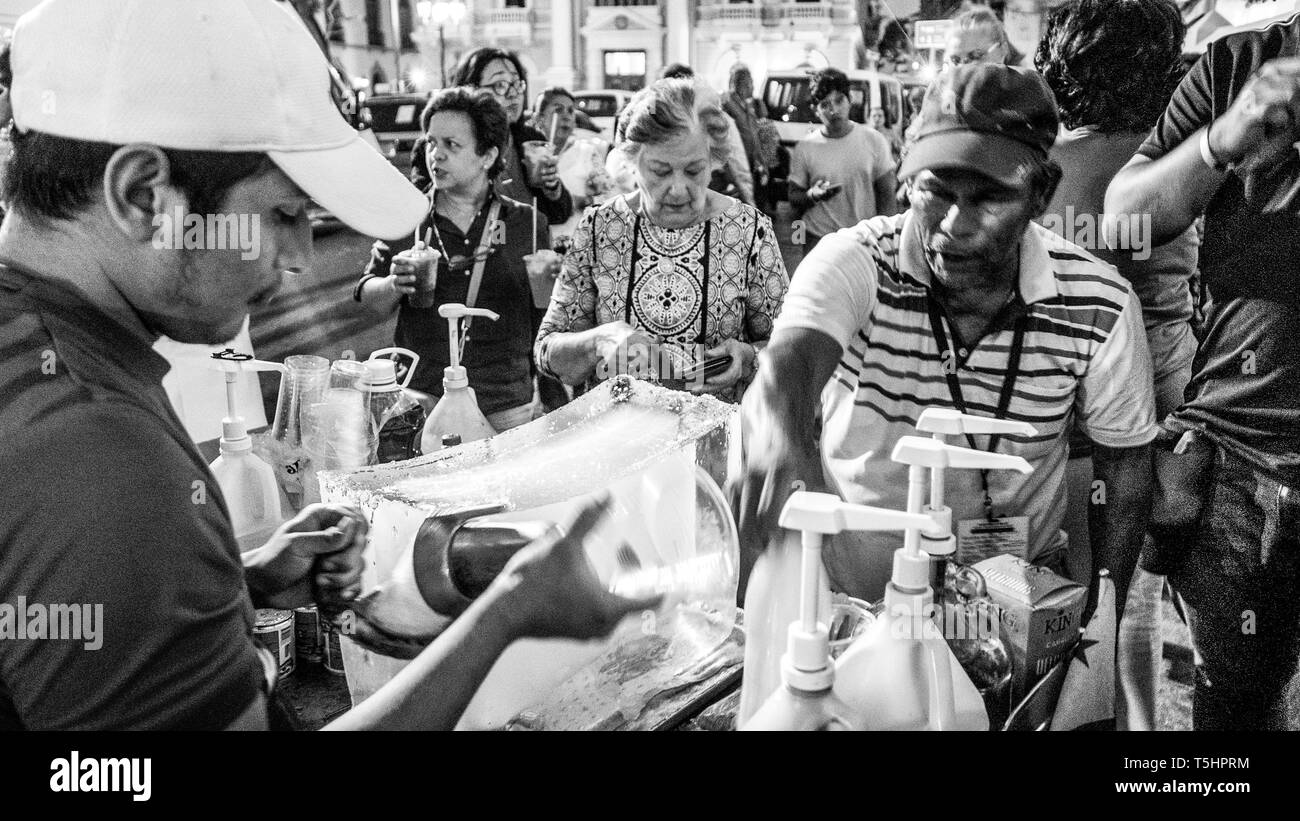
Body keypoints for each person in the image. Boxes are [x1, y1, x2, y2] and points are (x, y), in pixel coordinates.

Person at [0, 0, 654, 731]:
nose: (300, 258)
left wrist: (234, 584)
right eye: (283, 216)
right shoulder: (104, 458)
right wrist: (507, 613)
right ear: (144, 196)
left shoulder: (41, 363)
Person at [732, 64, 1156, 608]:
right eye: (935, 191)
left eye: (988, 197)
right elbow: (786, 370)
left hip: (1019, 611)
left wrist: (1104, 612)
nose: (955, 224)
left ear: (1041, 193)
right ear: (908, 183)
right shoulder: (856, 263)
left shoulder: (1099, 305)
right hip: (861, 611)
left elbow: (1124, 470)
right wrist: (774, 434)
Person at [1105, 12, 1300, 731]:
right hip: (1246, 463)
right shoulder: (1240, 63)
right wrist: (1222, 140)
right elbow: (1122, 216)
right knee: (1238, 716)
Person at [1035, 0, 1192, 732]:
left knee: (1076, 596)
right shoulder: (1182, 162)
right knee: (1139, 600)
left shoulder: (1044, 169)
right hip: (1174, 397)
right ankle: (1141, 738)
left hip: (1069, 411)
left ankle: (1081, 721)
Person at [535, 78, 789, 404]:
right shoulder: (599, 227)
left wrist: (747, 358)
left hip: (715, 442)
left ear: (714, 161)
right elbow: (547, 350)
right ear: (631, 161)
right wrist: (598, 341)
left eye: (694, 170)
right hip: (614, 443)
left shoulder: (749, 230)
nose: (678, 189)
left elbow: (788, 345)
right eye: (660, 170)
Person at [356, 88, 549, 433]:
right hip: (424, 398)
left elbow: (543, 315)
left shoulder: (526, 223)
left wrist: (555, 283)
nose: (436, 156)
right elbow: (369, 299)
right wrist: (393, 284)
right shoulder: (408, 216)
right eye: (431, 143)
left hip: (505, 402)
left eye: (451, 145)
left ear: (487, 156)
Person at [444, 48, 574, 227]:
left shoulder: (530, 140)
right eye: (500, 85)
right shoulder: (442, 145)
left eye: (517, 84)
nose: (513, 94)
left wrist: (550, 186)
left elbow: (560, 214)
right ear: (470, 90)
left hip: (530, 249)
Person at [788, 68, 897, 257]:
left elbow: (887, 197)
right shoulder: (805, 147)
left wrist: (887, 245)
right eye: (825, 104)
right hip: (818, 241)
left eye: (839, 100)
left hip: (863, 241)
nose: (834, 110)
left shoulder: (874, 140)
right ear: (816, 110)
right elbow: (794, 197)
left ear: (850, 100)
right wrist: (813, 195)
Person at [530, 87, 614, 244]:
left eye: (570, 111)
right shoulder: (528, 157)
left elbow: (608, 200)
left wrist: (588, 201)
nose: (567, 117)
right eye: (558, 110)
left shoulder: (587, 153)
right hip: (537, 245)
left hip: (578, 245)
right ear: (539, 119)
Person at [722, 64, 770, 213]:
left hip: (751, 161)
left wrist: (762, 161)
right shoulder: (726, 103)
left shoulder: (749, 105)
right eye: (750, 83)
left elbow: (755, 134)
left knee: (755, 198)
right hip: (737, 163)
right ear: (740, 85)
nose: (753, 87)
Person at [946, 5, 1025, 67]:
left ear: (1002, 51)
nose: (963, 68)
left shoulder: (1025, 86)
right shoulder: (944, 85)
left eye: (975, 56)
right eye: (955, 60)